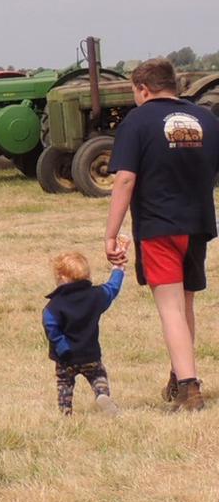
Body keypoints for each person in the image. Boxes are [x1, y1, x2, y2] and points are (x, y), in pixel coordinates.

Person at [104, 57, 219, 412]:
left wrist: (111, 233)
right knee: (184, 304)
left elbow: (125, 179)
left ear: (142, 89)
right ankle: (179, 373)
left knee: (169, 307)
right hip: (197, 223)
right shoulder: (206, 119)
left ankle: (189, 389)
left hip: (159, 226)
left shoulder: (137, 122)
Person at [42, 249, 123, 417]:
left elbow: (50, 324)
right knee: (98, 376)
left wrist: (62, 345)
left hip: (65, 357)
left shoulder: (55, 304)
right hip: (90, 353)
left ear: (62, 278)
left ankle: (65, 411)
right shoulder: (96, 296)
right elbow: (112, 289)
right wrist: (118, 270)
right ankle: (102, 394)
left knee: (65, 383)